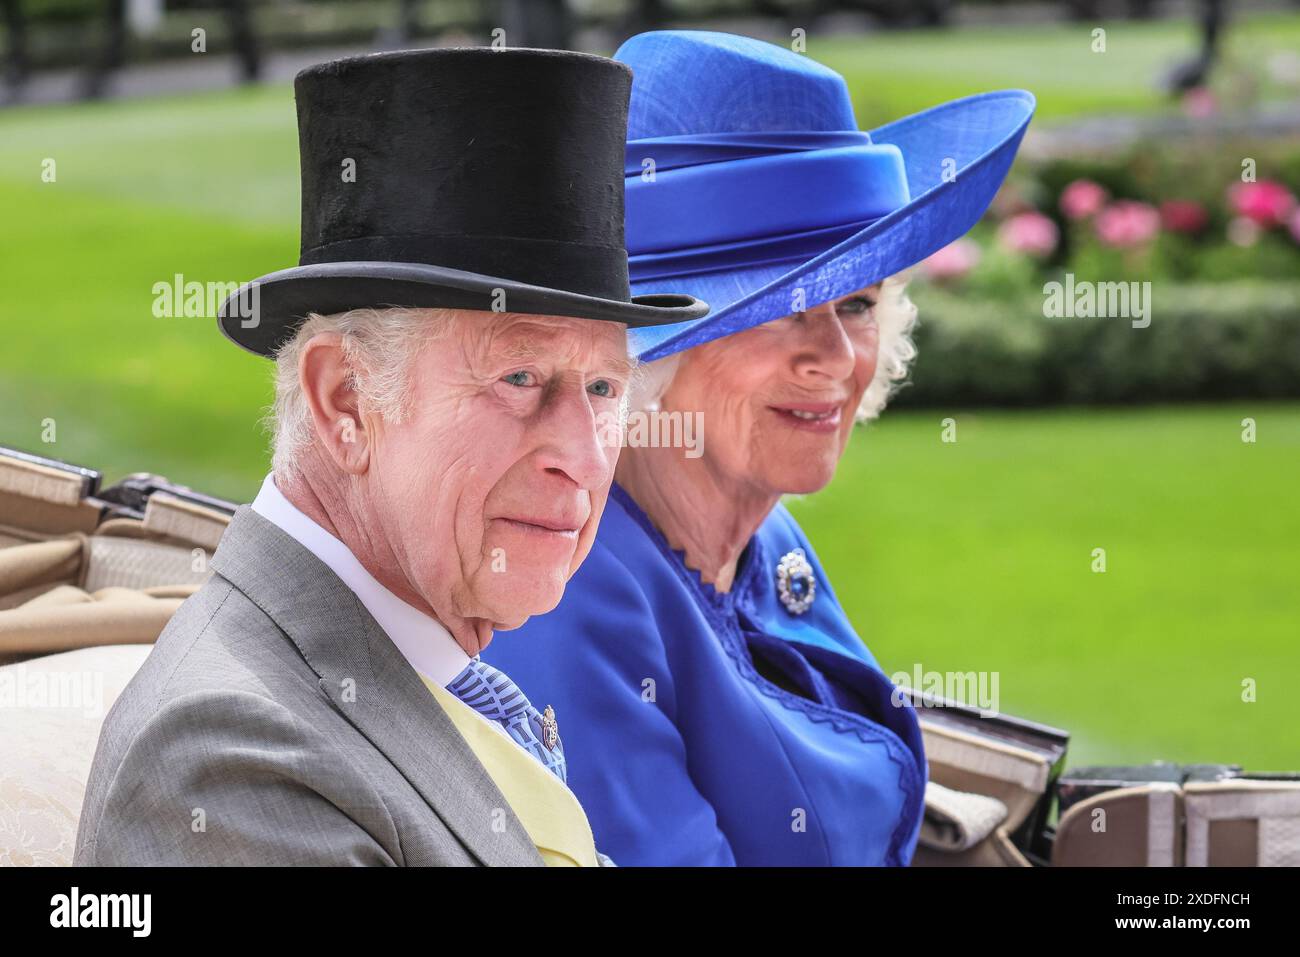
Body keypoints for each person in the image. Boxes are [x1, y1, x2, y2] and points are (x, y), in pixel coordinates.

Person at [73, 47, 705, 867]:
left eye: (603, 389)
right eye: (518, 377)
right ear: (344, 400)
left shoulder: (412, 660)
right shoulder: (227, 758)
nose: (583, 459)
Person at [483, 31, 1035, 865]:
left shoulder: (755, 528)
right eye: (779, 310)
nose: (838, 358)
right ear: (645, 349)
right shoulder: (569, 591)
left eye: (858, 303)